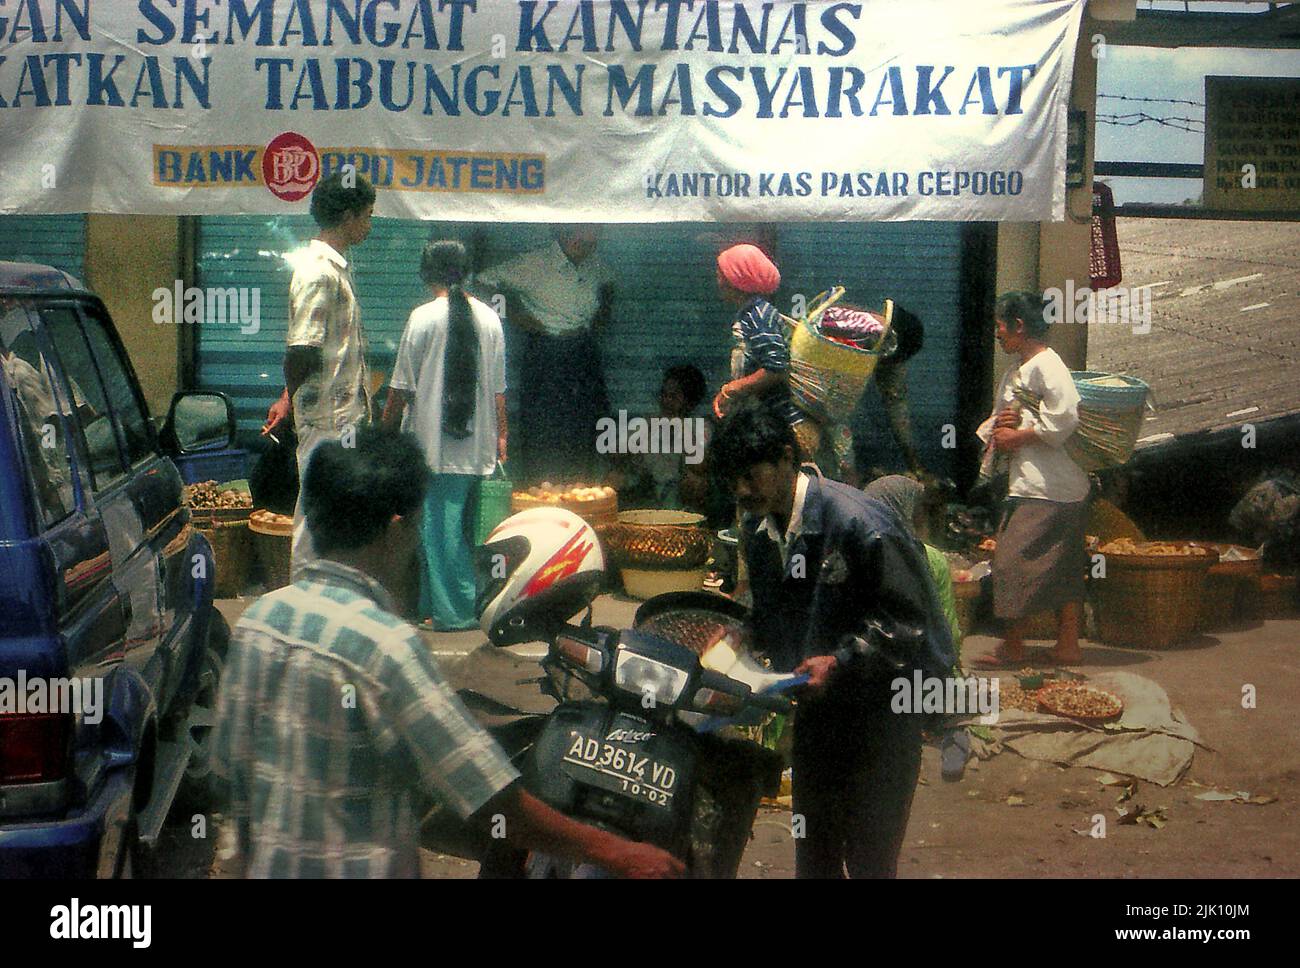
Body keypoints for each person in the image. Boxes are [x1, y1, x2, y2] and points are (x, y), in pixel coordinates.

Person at [211, 427, 683, 879]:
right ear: (398, 527)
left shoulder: (258, 622)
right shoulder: (385, 646)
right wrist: (618, 852)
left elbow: (229, 770)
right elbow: (488, 797)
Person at [709, 406, 956, 878]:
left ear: (787, 456)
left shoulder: (860, 523)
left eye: (750, 476)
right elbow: (777, 610)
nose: (741, 491)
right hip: (817, 720)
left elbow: (908, 624)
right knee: (814, 856)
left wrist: (840, 662)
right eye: (731, 480)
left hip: (880, 723)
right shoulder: (757, 531)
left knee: (869, 860)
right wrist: (746, 631)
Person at [382, 240, 507, 631]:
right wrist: (502, 438)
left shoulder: (422, 318)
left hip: (433, 450)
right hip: (478, 449)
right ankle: (431, 606)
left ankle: (456, 614)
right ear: (465, 271)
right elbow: (500, 390)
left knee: (439, 537)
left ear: (426, 273)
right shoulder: (490, 318)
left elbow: (399, 389)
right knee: (458, 534)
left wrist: (382, 435)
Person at [262, 171, 377, 580]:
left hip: (339, 416)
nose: (368, 224)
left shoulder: (335, 270)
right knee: (315, 516)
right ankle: (303, 598)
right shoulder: (318, 272)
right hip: (328, 419)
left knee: (332, 512)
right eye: (366, 215)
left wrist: (285, 397)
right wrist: (292, 398)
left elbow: (312, 351)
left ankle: (326, 595)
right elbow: (303, 349)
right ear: (347, 217)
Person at [973, 290, 1089, 669]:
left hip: (1048, 487)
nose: (997, 333)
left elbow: (1065, 417)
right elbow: (1009, 416)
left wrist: (1017, 436)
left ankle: (1013, 646)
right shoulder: (1018, 369)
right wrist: (1001, 428)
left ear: (1018, 326)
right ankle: (1067, 646)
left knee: (1009, 563)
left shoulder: (1047, 366)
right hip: (1043, 485)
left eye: (1000, 325)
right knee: (1066, 567)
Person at [482, 225, 614, 485]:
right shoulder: (535, 263)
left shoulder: (595, 265)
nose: (592, 242)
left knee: (586, 427)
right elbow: (484, 282)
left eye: (596, 237)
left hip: (583, 350)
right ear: (569, 235)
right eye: (588, 236)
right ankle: (541, 492)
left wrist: (603, 312)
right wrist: (518, 316)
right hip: (546, 351)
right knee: (543, 428)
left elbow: (609, 283)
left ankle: (579, 494)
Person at [604, 363, 710, 512]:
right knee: (613, 479)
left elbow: (700, 466)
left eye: (673, 396)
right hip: (644, 492)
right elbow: (615, 454)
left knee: (695, 482)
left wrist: (681, 429)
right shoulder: (648, 422)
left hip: (678, 496)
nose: (666, 401)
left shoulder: (698, 425)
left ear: (689, 401)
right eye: (664, 394)